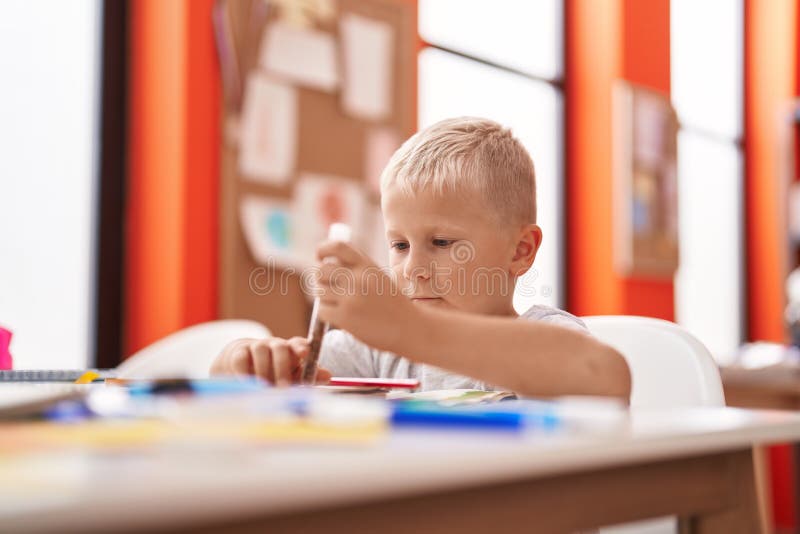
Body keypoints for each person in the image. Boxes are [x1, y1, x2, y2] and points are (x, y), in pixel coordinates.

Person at [210, 117, 631, 400]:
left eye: (443, 243)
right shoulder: (381, 351)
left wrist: (412, 329)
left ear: (520, 251)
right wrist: (243, 361)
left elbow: (604, 375)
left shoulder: (542, 334)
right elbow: (268, 383)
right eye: (400, 245)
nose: (412, 269)